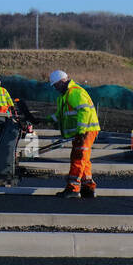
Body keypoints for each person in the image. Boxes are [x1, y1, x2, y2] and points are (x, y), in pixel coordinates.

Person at [49, 69, 99, 198]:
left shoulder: (74, 92)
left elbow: (84, 111)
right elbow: (60, 115)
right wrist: (45, 120)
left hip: (86, 131)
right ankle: (88, 187)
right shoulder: (65, 96)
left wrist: (81, 132)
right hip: (84, 131)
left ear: (62, 82)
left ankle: (73, 188)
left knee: (78, 157)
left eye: (55, 85)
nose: (55, 88)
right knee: (83, 159)